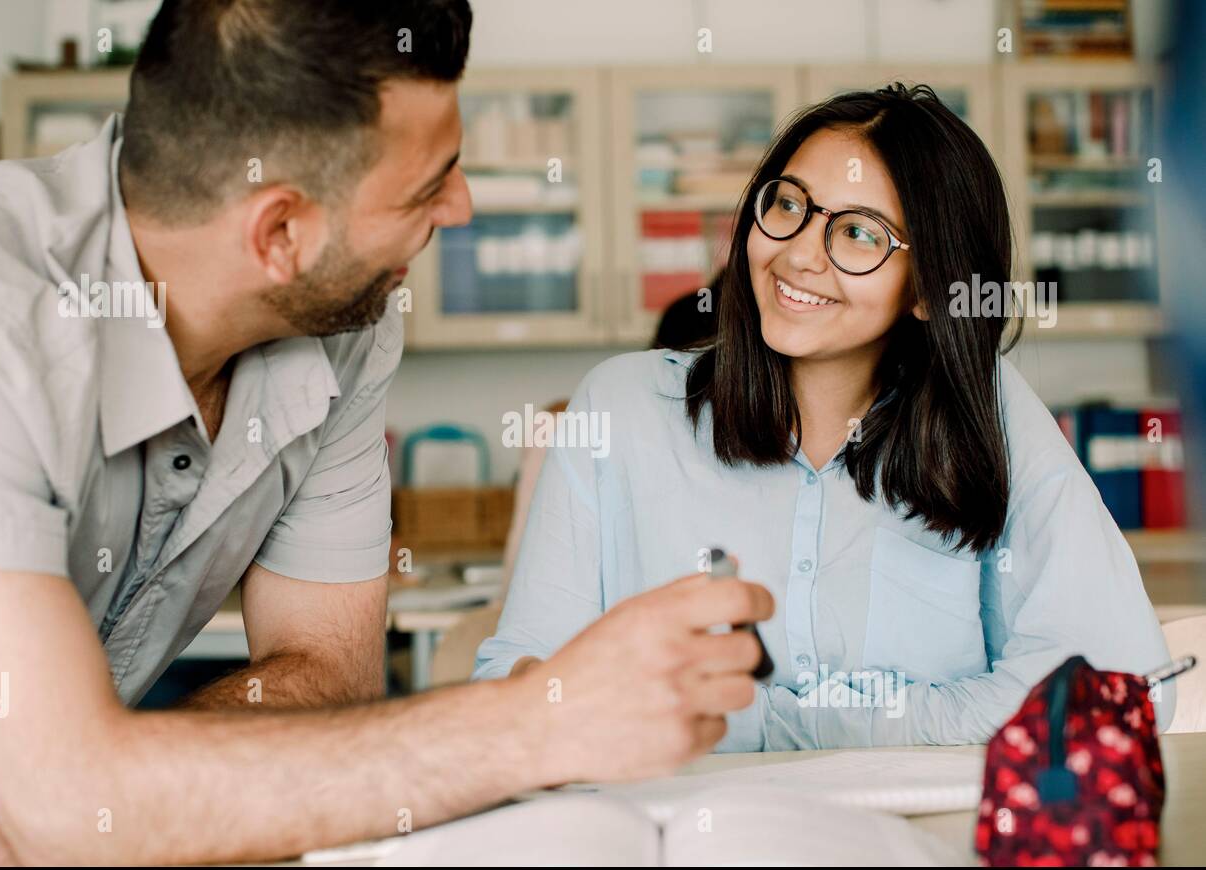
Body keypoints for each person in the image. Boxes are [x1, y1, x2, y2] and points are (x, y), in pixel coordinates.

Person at [0, 0, 769, 865]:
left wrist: (119, 783)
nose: (462, 208)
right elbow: (72, 801)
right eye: (431, 185)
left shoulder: (346, 320)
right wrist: (544, 721)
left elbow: (325, 677)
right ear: (280, 233)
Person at [474, 84, 1177, 750]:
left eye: (860, 235)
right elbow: (520, 678)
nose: (801, 255)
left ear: (928, 289)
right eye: (788, 206)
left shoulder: (983, 412)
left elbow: (1120, 689)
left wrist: (764, 722)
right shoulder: (621, 408)